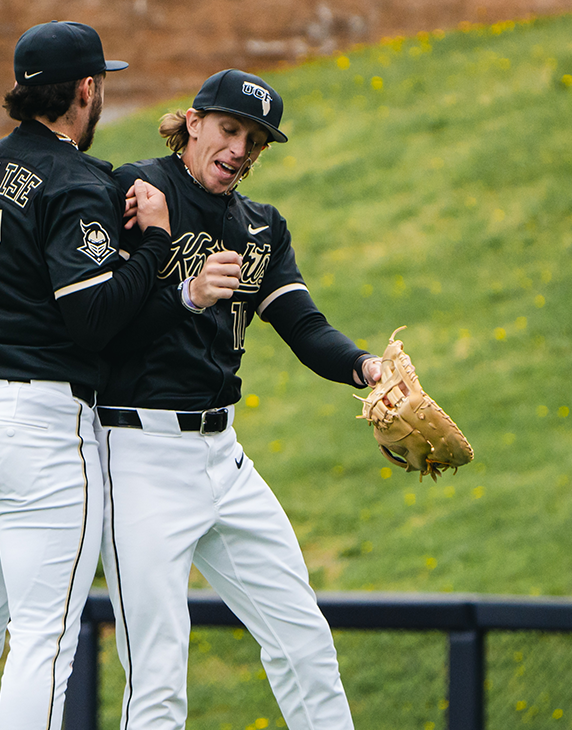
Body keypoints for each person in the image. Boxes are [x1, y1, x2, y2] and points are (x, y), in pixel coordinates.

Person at [0, 20, 176, 730]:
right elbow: (93, 316)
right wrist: (153, 244)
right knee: (42, 638)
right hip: (41, 431)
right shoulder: (78, 178)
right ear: (86, 90)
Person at [98, 69, 377, 730]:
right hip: (136, 452)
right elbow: (93, 320)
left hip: (223, 457)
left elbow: (304, 327)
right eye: (230, 129)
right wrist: (187, 293)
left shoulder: (259, 227)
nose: (242, 149)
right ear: (192, 122)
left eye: (257, 140)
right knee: (158, 674)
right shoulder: (131, 191)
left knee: (303, 640)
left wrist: (367, 366)